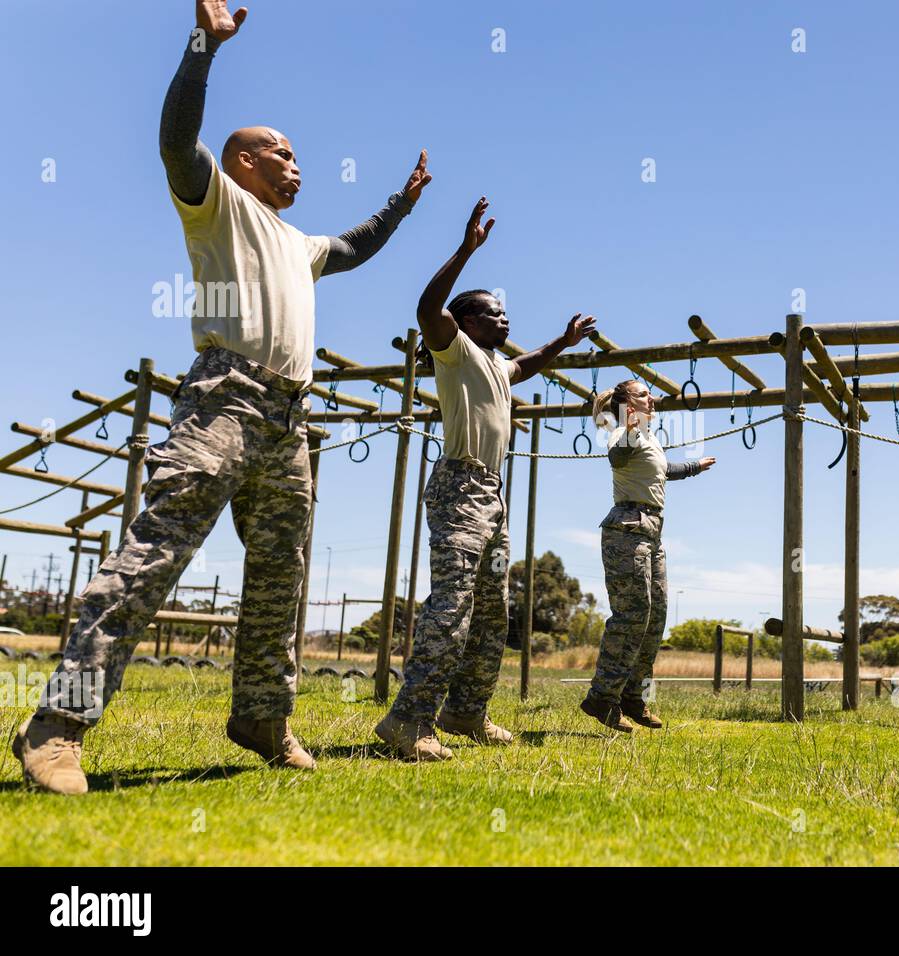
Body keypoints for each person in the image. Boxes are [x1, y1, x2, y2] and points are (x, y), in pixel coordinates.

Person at [12, 0, 431, 794]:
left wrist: (402, 205)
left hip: (289, 419)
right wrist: (203, 46)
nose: (295, 162)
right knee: (154, 555)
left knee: (281, 573)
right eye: (281, 151)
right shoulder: (216, 202)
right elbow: (175, 140)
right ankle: (57, 727)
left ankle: (262, 719)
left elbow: (357, 245)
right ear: (244, 164)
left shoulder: (299, 244)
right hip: (224, 401)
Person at [374, 197, 596, 761]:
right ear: (466, 321)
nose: (505, 320)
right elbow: (427, 306)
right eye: (493, 313)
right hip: (459, 489)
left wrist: (562, 344)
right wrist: (465, 250)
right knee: (454, 604)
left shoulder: (497, 366)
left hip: (491, 495)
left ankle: (466, 710)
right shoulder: (453, 351)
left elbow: (529, 362)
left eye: (505, 314)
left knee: (493, 613)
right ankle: (408, 719)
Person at [580, 380, 714, 732]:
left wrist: (696, 466)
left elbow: (663, 471)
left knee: (655, 619)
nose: (650, 398)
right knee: (631, 616)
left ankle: (633, 698)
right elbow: (617, 457)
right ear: (627, 403)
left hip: (652, 534)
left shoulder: (649, 438)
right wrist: (628, 428)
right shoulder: (621, 433)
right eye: (642, 395)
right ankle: (602, 697)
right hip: (627, 532)